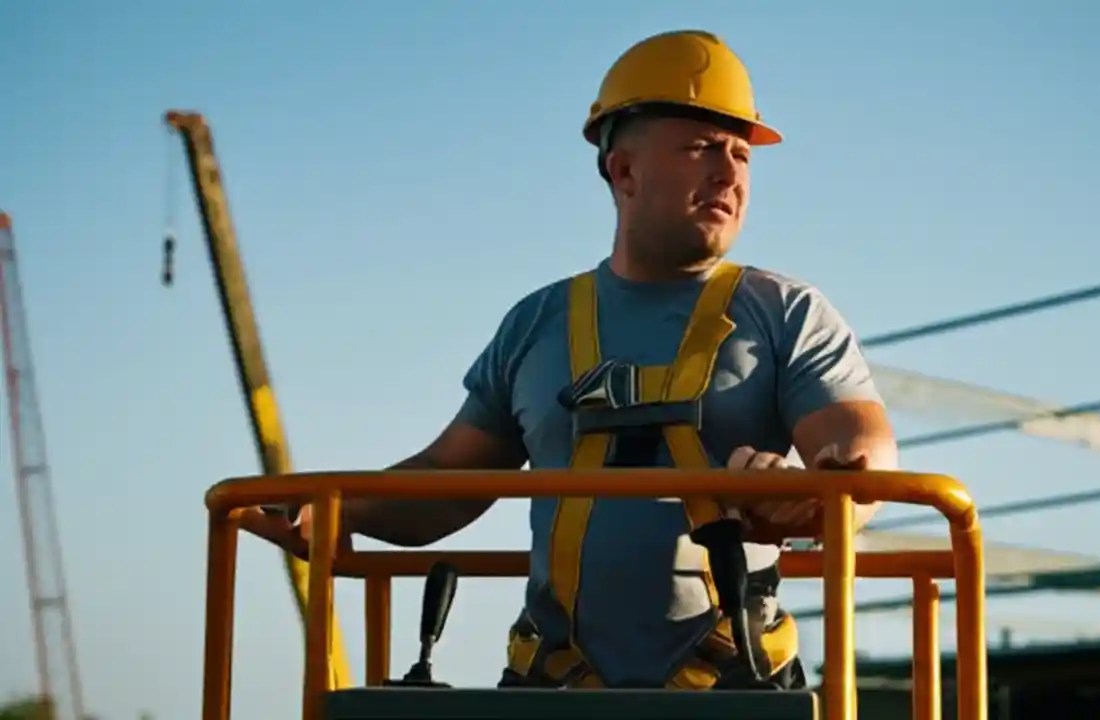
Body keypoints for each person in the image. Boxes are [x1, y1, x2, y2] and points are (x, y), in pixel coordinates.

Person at [244, 29, 898, 692]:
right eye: (701, 148)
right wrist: (341, 510)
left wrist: (819, 494)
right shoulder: (538, 324)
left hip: (734, 687)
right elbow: (448, 477)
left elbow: (858, 450)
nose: (729, 173)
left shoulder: (787, 313)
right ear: (624, 170)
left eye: (740, 154)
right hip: (555, 689)